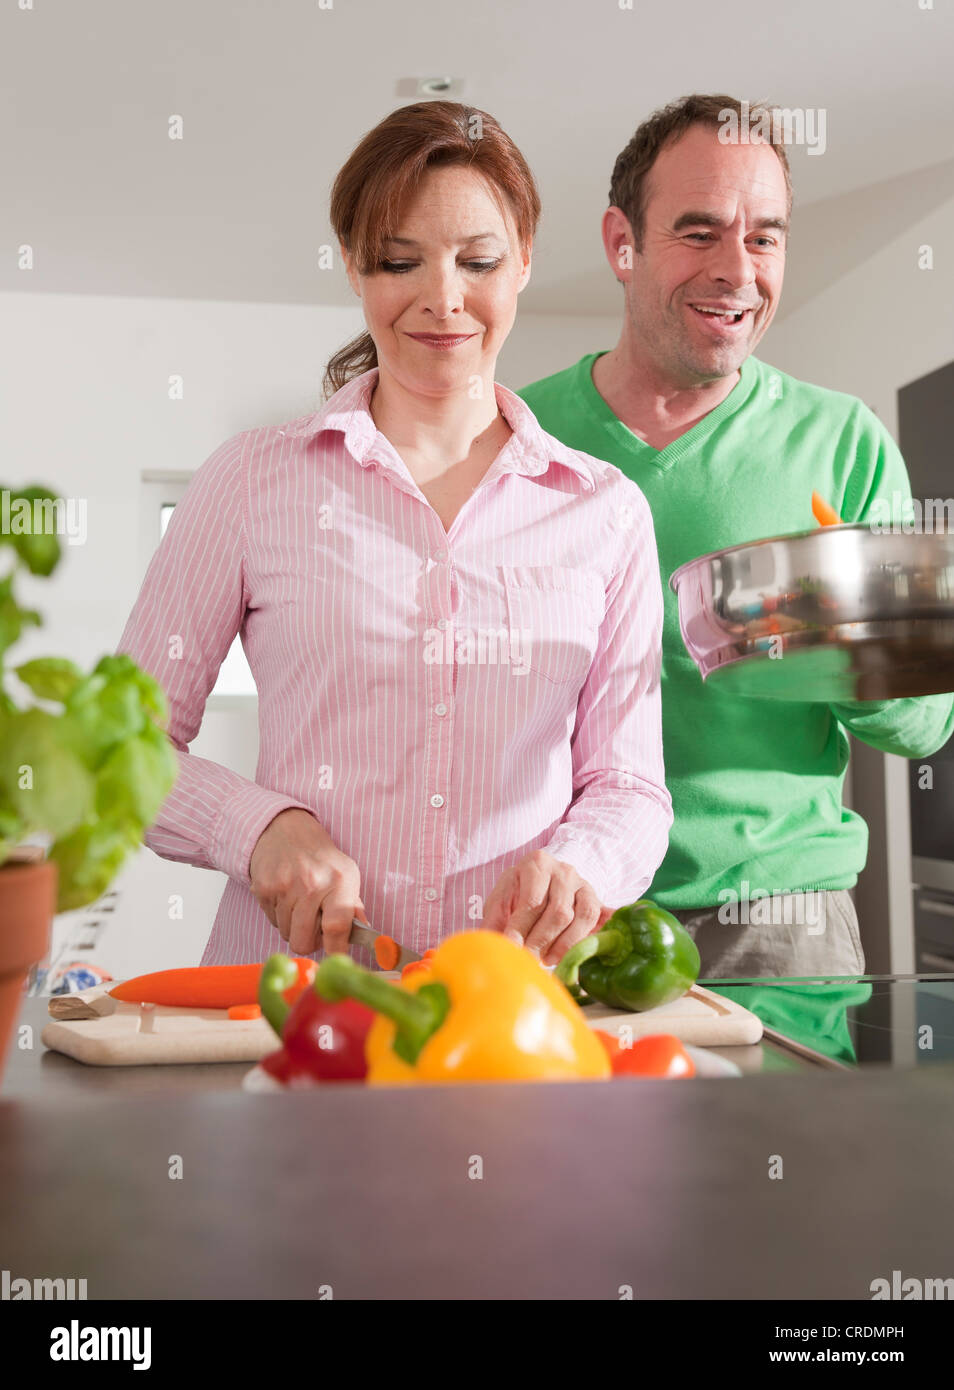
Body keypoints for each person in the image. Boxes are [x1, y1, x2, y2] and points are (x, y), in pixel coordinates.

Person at [116, 101, 672, 968]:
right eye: (399, 261)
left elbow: (631, 786)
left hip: (507, 1012)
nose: (442, 300)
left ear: (523, 260)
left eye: (478, 260)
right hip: (289, 1004)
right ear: (352, 267)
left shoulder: (605, 511)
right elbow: (121, 750)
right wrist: (259, 829)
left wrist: (580, 866)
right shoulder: (252, 482)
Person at [519, 93, 954, 978]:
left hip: (781, 920)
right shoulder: (521, 435)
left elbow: (924, 724)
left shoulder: (845, 440)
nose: (738, 270)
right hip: (567, 913)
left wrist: (849, 625)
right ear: (621, 243)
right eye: (699, 231)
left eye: (764, 236)